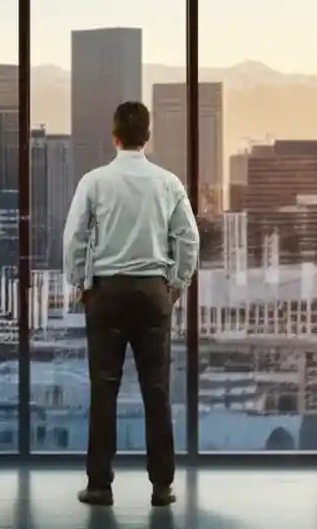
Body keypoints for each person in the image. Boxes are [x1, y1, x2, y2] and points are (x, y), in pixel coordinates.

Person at [63, 100, 200, 509]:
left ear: (115, 136)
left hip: (106, 294)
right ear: (147, 137)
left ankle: (100, 486)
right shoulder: (168, 182)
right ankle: (161, 487)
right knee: (156, 391)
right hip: (152, 293)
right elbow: (189, 240)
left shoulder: (94, 181)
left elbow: (75, 238)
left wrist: (80, 284)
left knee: (103, 391)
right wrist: (176, 284)